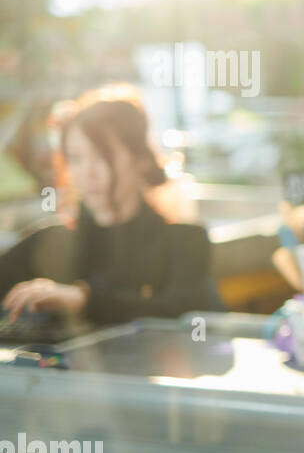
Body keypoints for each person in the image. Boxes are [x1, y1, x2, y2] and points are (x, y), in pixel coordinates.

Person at [0, 87, 218, 326]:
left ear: (141, 160)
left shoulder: (185, 242)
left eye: (102, 156)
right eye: (76, 158)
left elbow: (177, 312)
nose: (87, 173)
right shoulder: (49, 242)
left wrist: (82, 300)